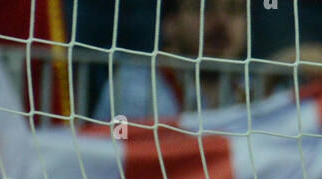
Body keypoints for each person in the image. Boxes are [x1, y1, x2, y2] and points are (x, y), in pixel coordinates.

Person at [91, 0, 250, 126]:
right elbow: (120, 155)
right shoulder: (132, 89)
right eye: (202, 7)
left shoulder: (260, 93)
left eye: (234, 9)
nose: (221, 21)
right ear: (170, 24)